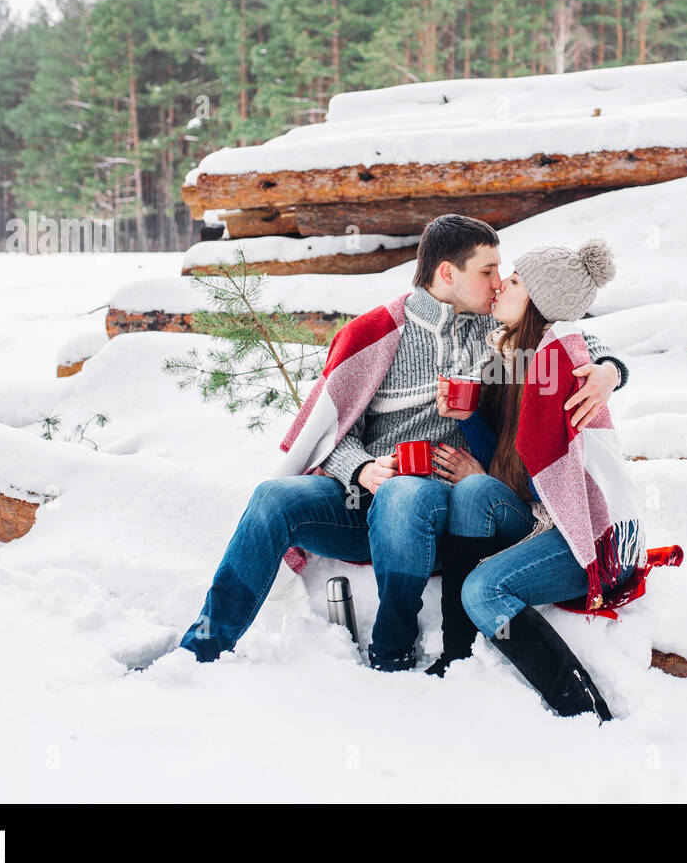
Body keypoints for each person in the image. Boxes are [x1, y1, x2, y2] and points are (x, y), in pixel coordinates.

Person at [177, 214, 630, 671]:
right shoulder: (374, 333)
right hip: (365, 501)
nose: (498, 283)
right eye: (487, 270)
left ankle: (393, 645)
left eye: (501, 272)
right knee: (273, 498)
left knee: (405, 492)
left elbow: (566, 332)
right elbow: (329, 434)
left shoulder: (493, 335)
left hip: (446, 511)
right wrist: (362, 469)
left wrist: (610, 369)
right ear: (448, 273)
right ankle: (203, 647)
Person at [426, 238, 648, 721]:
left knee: (484, 590)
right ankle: (457, 651)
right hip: (539, 515)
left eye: (517, 280)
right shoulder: (513, 356)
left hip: (586, 532)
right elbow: (519, 466)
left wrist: (612, 370)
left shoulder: (559, 357)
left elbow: (581, 344)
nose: (502, 283)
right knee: (474, 490)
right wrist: (468, 417)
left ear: (540, 301)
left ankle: (583, 707)